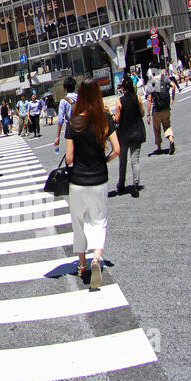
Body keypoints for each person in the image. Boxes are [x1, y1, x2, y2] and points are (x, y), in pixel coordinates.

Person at [64, 80, 120, 290]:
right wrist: (103, 160)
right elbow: (116, 149)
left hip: (78, 180)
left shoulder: (73, 123)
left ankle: (81, 263)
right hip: (99, 178)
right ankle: (97, 258)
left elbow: (69, 158)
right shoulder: (103, 118)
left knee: (78, 222)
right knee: (99, 220)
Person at [113, 74, 146, 198]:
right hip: (137, 132)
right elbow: (142, 113)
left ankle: (121, 183)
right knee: (135, 160)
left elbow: (117, 119)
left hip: (123, 134)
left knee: (123, 161)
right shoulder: (137, 98)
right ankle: (136, 185)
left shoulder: (119, 101)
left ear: (123, 88)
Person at [145, 67, 176, 155]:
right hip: (166, 107)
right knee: (167, 125)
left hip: (157, 109)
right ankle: (171, 139)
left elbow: (149, 99)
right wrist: (172, 98)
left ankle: (159, 146)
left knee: (156, 128)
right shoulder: (164, 78)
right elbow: (173, 85)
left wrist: (148, 115)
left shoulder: (151, 82)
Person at [53, 76, 78, 152]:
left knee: (72, 151)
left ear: (65, 89)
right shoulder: (81, 97)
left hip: (71, 129)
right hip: (83, 126)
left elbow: (60, 120)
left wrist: (58, 136)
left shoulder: (63, 101)